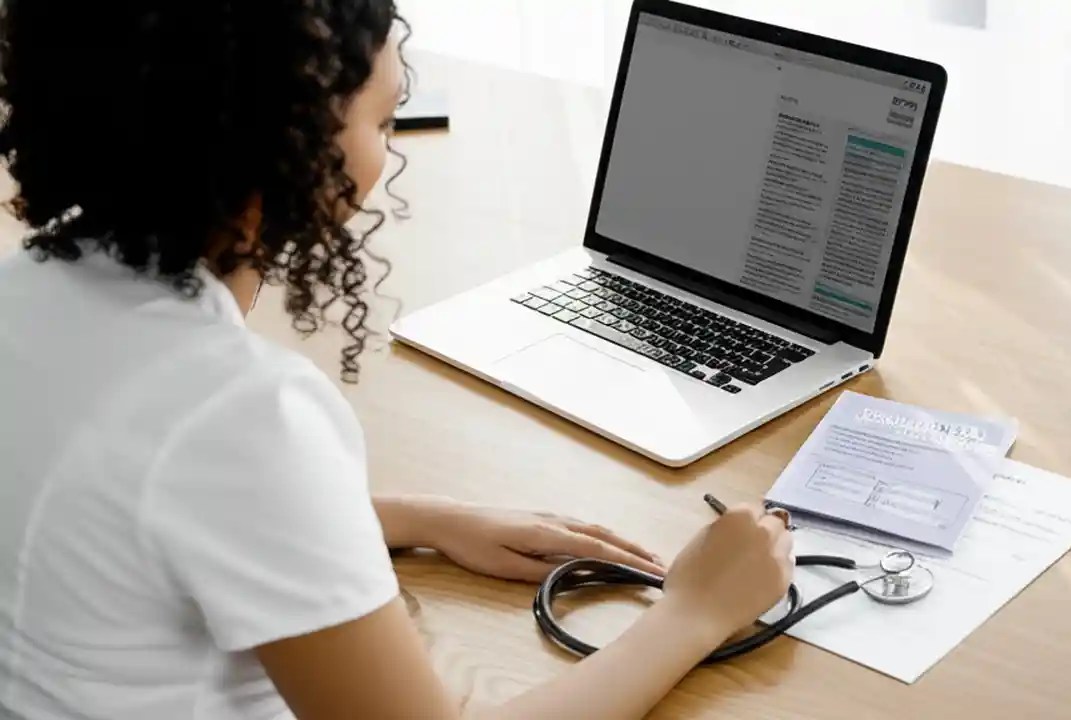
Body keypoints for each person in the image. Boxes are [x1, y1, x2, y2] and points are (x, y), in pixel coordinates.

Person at [0, 2, 795, 719]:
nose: (389, 149)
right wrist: (694, 610)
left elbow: (142, 519)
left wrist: (408, 518)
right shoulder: (240, 414)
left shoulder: (26, 290)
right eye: (383, 122)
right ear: (287, 143)